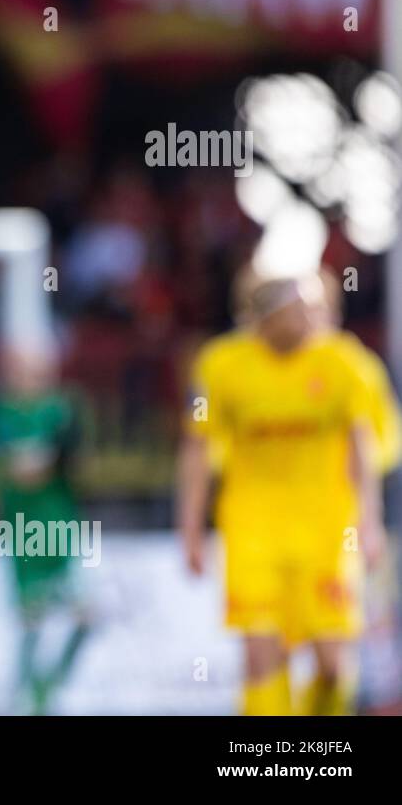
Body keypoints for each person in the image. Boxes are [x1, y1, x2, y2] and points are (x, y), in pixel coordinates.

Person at [178, 269, 386, 715]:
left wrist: (370, 522)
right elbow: (197, 448)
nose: (315, 318)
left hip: (327, 529)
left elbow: (362, 446)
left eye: (316, 309)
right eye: (303, 309)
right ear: (265, 317)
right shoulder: (221, 365)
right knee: (262, 654)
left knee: (332, 664)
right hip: (253, 527)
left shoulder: (343, 362)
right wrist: (191, 529)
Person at [0, 345, 90, 714]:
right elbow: (16, 470)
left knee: (81, 615)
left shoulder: (61, 409)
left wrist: (37, 462)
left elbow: (62, 462)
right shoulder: (2, 412)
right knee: (30, 616)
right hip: (21, 528)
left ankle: (47, 688)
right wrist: (37, 462)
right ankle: (28, 700)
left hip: (57, 524)